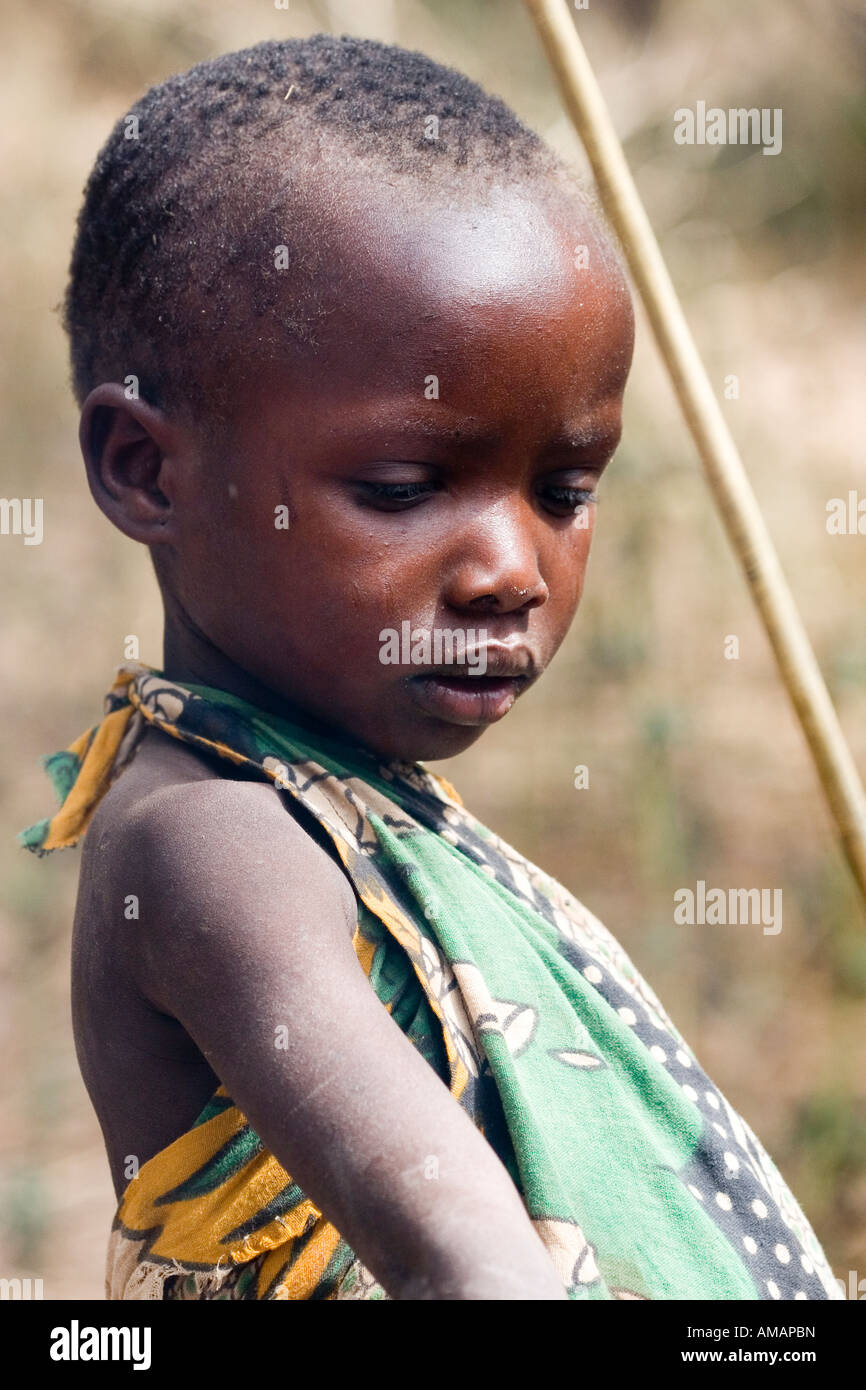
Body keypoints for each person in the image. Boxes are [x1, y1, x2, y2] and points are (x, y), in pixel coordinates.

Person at [21, 33, 841, 1301]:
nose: (509, 568)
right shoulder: (210, 841)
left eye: (564, 488)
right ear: (145, 470)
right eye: (403, 487)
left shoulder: (362, 805)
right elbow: (471, 1270)